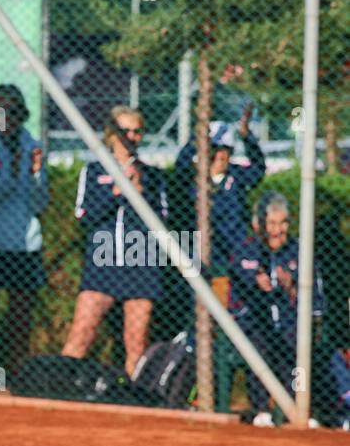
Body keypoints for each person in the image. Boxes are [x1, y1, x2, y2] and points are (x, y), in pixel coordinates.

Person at [61, 105, 170, 376]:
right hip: (104, 260)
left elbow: (164, 220)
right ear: (111, 133)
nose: (131, 137)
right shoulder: (94, 170)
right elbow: (85, 215)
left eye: (137, 132)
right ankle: (60, 388)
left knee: (136, 341)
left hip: (140, 260)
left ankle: (137, 397)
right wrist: (117, 191)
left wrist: (142, 192)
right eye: (125, 131)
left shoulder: (153, 176)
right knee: (82, 332)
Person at [0, 83, 49, 384]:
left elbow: (40, 202)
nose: (8, 119)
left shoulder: (32, 145)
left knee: (19, 322)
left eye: (14, 113)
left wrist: (36, 174)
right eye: (1, 112)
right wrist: (11, 176)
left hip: (25, 247)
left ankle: (15, 383)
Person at [222, 190, 323, 425]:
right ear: (259, 225)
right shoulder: (245, 249)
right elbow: (240, 283)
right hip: (255, 323)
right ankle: (261, 410)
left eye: (283, 223)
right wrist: (256, 283)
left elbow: (315, 301)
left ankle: (299, 406)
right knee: (259, 343)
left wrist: (291, 288)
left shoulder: (299, 251)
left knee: (301, 348)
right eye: (272, 223)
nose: (278, 230)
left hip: (290, 323)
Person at [173, 104, 266, 279]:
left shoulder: (236, 175)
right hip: (200, 244)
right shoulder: (194, 176)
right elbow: (180, 167)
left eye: (225, 151)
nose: (220, 157)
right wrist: (197, 136)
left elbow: (258, 169)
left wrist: (246, 137)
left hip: (233, 246)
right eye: (215, 151)